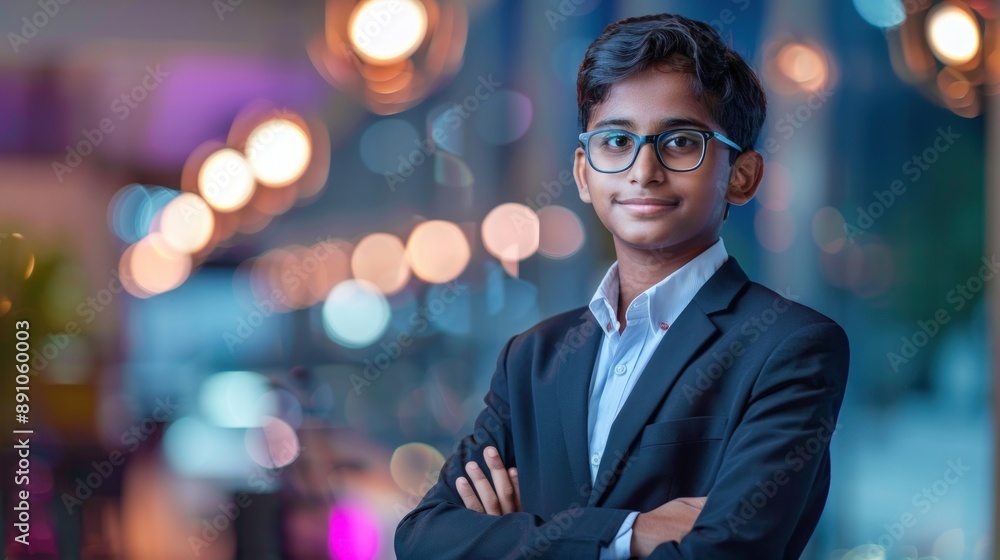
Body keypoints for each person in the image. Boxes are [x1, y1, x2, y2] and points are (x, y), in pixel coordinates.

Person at [395, 12, 849, 559]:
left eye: (680, 142)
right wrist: (630, 533)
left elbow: (727, 552)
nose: (643, 170)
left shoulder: (789, 347)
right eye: (616, 140)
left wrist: (518, 539)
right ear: (584, 173)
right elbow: (423, 539)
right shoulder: (533, 359)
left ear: (742, 175)